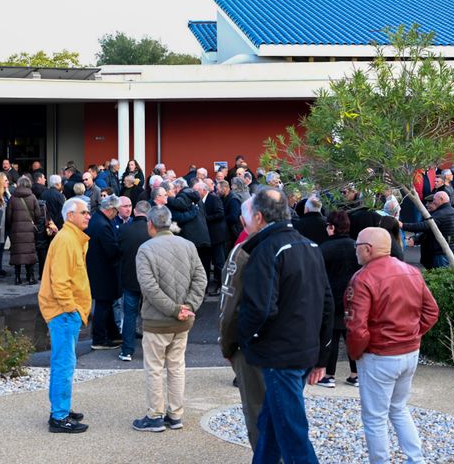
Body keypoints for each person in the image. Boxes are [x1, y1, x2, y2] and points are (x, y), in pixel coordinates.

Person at [238, 187, 333, 463]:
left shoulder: (268, 250)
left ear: (258, 217)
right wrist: (321, 354)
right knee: (271, 423)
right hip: (301, 350)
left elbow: (261, 307)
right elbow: (327, 302)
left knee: (292, 434)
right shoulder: (309, 245)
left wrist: (245, 339)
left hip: (281, 355)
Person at [345, 227, 439, 464]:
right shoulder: (410, 271)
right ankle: (416, 459)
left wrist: (356, 354)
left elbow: (357, 326)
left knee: (375, 417)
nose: (355, 250)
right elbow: (431, 311)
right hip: (408, 352)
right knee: (398, 408)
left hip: (380, 355)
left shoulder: (363, 278)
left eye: (357, 245)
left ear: (367, 249)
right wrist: (413, 334)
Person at [132, 205, 207, 432]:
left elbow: (149, 288)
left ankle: (155, 415)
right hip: (182, 320)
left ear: (150, 224)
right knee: (176, 366)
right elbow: (201, 279)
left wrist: (177, 309)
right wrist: (188, 307)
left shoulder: (146, 249)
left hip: (158, 321)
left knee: (155, 368)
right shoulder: (188, 245)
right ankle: (175, 415)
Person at [39, 198, 92, 434]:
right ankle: (59, 417)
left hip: (68, 311)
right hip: (63, 312)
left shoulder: (72, 238)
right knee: (63, 363)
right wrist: (71, 307)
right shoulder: (66, 240)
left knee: (64, 362)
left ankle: (61, 409)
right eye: (83, 212)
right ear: (70, 215)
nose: (88, 215)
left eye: (88, 212)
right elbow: (59, 281)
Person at [218, 197, 265, 450]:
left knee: (258, 413)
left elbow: (230, 302)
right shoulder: (304, 246)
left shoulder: (244, 249)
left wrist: (227, 345)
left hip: (255, 346)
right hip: (296, 348)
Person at [317, 210, 360, 388]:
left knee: (331, 337)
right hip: (353, 297)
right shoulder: (356, 246)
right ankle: (355, 374)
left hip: (331, 297)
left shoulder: (324, 248)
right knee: (350, 336)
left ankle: (329, 374)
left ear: (332, 227)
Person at [84, 195, 122, 350]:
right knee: (103, 304)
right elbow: (111, 250)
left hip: (98, 268)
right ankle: (99, 339)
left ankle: (112, 335)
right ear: (111, 209)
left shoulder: (96, 220)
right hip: (104, 270)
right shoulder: (103, 224)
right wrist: (121, 249)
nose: (117, 214)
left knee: (105, 303)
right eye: (117, 210)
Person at [116, 200, 152, 361]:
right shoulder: (152, 231)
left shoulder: (124, 229)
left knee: (130, 315)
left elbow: (118, 252)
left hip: (130, 277)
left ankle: (127, 350)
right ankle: (151, 351)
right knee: (150, 315)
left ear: (135, 212)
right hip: (150, 279)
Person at [402, 191, 454, 268]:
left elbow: (424, 226)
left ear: (441, 199)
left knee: (442, 278)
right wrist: (416, 239)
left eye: (434, 200)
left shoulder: (440, 214)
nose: (432, 203)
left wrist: (403, 225)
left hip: (443, 253)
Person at [6, 176, 42, 285]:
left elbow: (9, 216)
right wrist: (33, 222)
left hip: (16, 230)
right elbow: (38, 214)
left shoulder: (12, 198)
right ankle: (30, 277)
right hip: (29, 229)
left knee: (17, 253)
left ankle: (17, 278)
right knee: (29, 252)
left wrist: (12, 225)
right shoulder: (32, 197)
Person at [195, 181, 227, 292]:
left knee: (219, 262)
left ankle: (221, 285)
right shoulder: (198, 201)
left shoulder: (214, 199)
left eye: (196, 190)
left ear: (203, 190)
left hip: (217, 236)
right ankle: (206, 285)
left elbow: (220, 214)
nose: (195, 192)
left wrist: (205, 219)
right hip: (206, 237)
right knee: (206, 262)